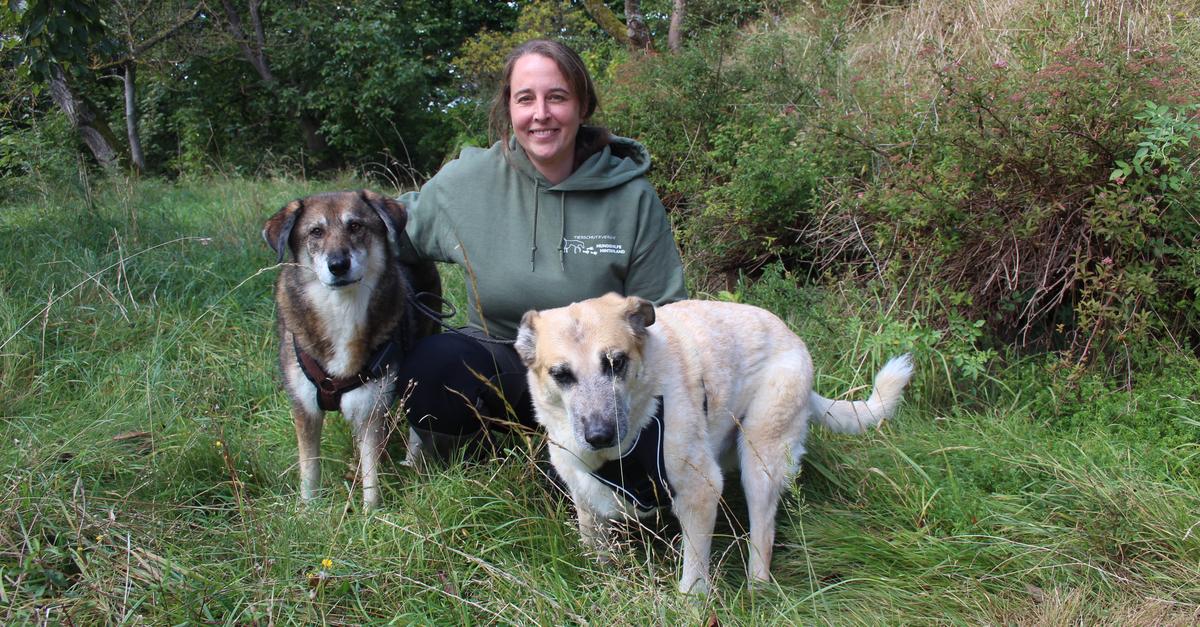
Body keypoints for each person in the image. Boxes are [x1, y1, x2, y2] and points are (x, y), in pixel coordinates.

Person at [395, 39, 687, 457]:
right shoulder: (467, 182)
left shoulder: (631, 198)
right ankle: (473, 455)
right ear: (509, 107)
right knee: (433, 366)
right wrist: (312, 230)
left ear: (582, 106)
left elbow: (667, 315)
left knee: (598, 484)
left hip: (603, 382)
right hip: (504, 360)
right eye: (525, 99)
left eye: (557, 97)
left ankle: (581, 459)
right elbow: (388, 232)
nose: (541, 113)